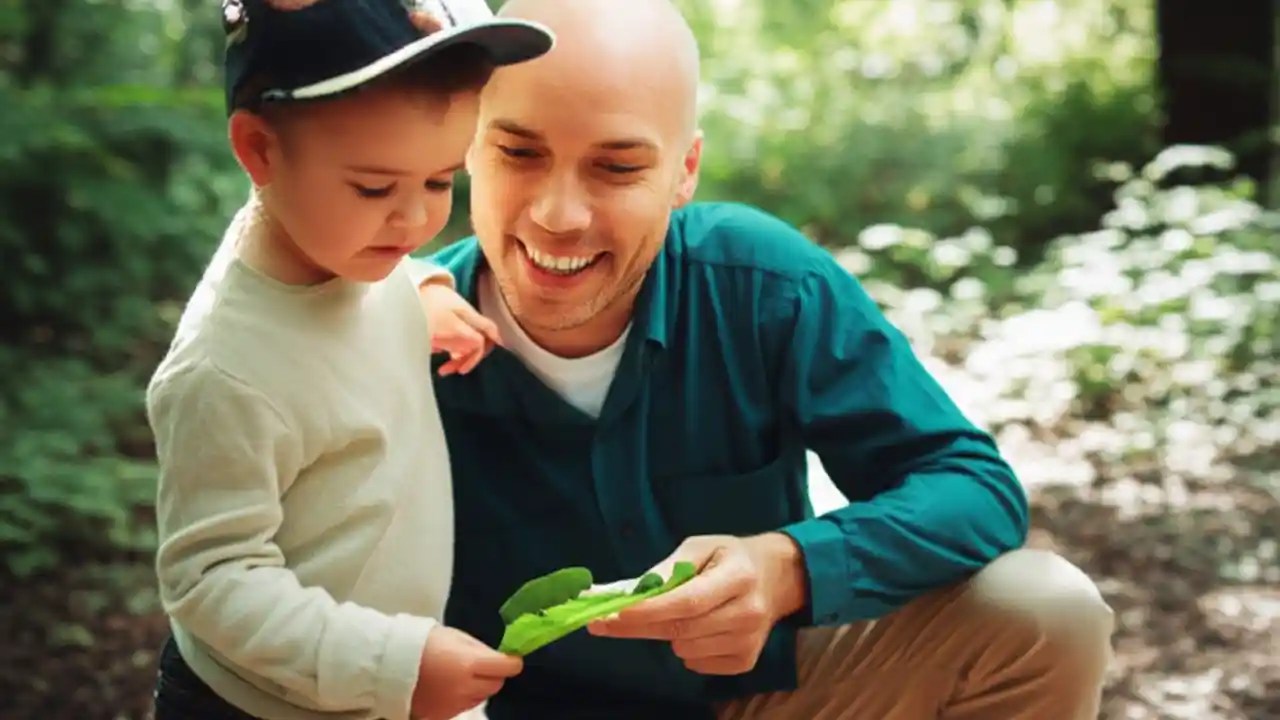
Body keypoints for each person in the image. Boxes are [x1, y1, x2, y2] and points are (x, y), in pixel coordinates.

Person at [419, 0, 1116, 718]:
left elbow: (974, 488)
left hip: (767, 695)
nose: (558, 214)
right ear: (468, 143)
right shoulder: (395, 329)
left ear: (683, 172)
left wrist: (786, 569)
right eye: (519, 153)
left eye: (617, 167)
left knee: (1045, 614)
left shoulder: (761, 287)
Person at [145, 1, 554, 719]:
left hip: (363, 684)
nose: (417, 220)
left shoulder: (343, 249)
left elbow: (360, 281)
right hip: (262, 702)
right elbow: (211, 580)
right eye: (375, 187)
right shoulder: (225, 372)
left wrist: (420, 288)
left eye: (439, 181)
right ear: (260, 151)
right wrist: (394, 664)